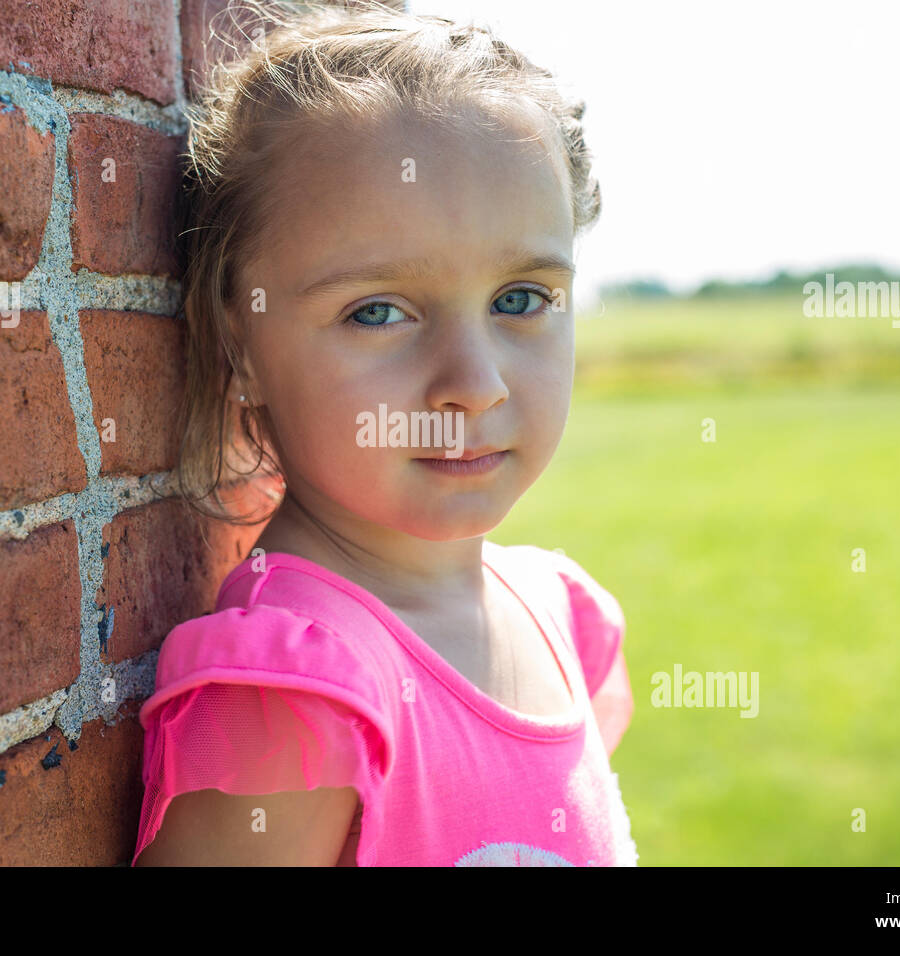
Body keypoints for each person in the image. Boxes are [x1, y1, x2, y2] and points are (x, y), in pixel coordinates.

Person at [133, 0, 637, 866]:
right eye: (378, 312)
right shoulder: (297, 699)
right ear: (237, 342)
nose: (473, 386)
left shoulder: (563, 619)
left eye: (520, 299)